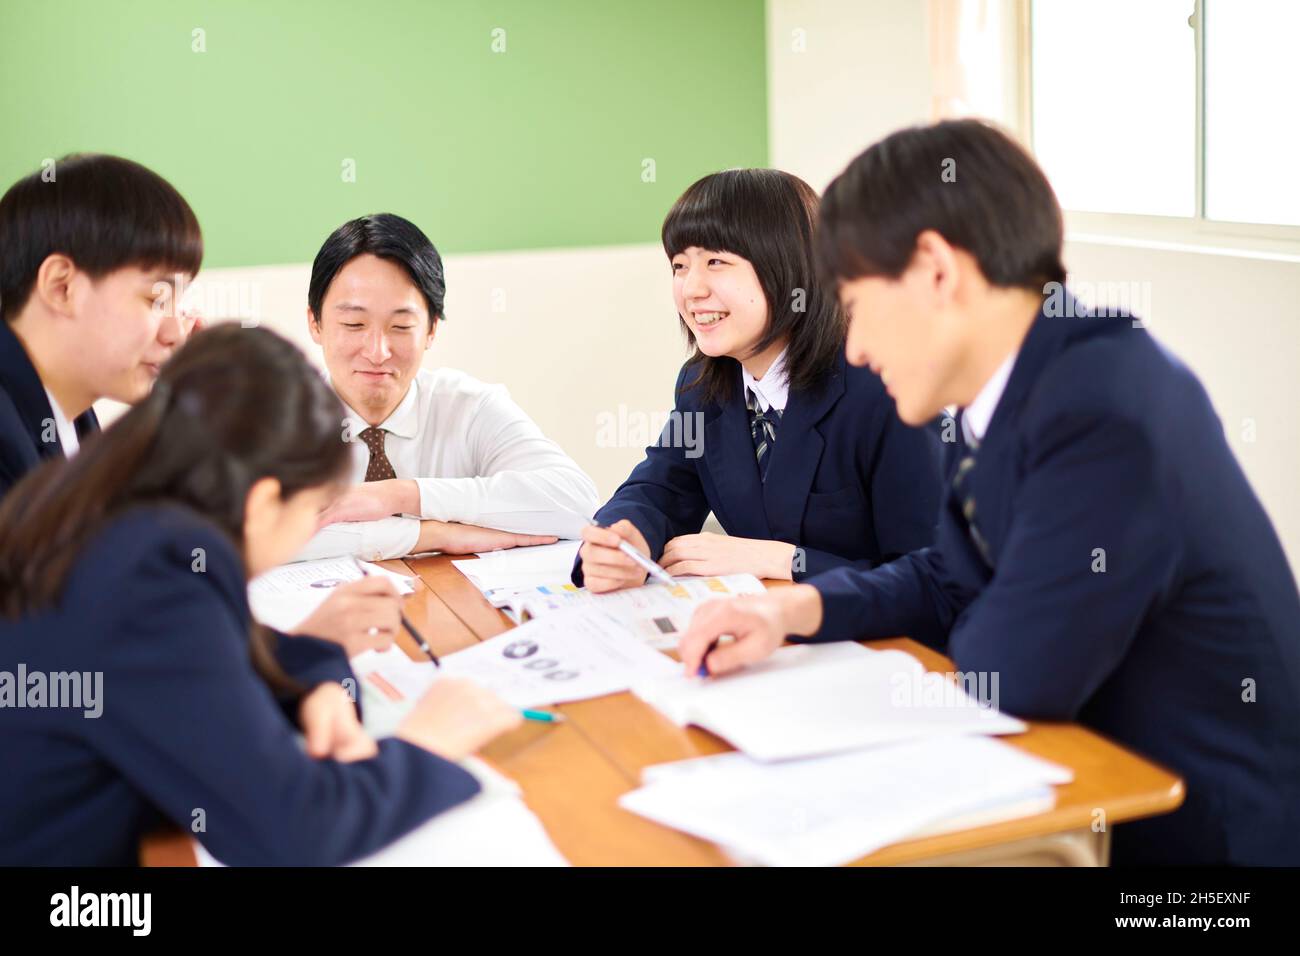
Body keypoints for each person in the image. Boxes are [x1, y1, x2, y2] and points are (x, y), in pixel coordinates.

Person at [677, 120, 1300, 866]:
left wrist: (967, 611)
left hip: (1199, 848)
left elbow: (1011, 669)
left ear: (937, 271)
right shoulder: (1017, 387)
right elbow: (953, 573)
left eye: (858, 304)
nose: (854, 347)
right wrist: (793, 607)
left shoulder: (1103, 405)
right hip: (1079, 787)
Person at [0, 325, 522, 865]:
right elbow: (297, 831)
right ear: (265, 501)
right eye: (313, 511)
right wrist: (427, 745)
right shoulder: (151, 585)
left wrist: (316, 684)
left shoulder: (118, 512)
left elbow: (222, 656)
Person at [0, 154, 402, 660]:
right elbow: (87, 649)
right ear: (61, 286)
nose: (175, 331)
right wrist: (297, 659)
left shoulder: (66, 411)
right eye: (154, 300)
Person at [575, 169, 940, 592]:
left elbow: (933, 578)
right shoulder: (702, 386)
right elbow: (661, 487)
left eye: (716, 262)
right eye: (679, 265)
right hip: (769, 633)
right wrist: (626, 538)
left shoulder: (885, 387)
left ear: (788, 268)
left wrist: (784, 559)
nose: (691, 289)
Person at [298, 213, 599, 562]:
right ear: (315, 323)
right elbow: (244, 536)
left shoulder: (469, 407)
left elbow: (578, 504)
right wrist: (432, 534)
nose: (377, 352)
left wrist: (403, 496)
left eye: (400, 326)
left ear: (431, 330)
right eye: (354, 324)